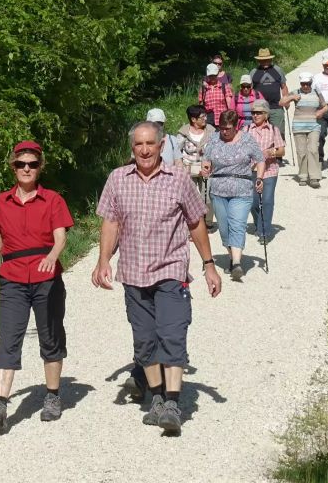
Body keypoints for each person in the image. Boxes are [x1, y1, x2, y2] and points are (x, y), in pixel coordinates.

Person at [93, 121, 222, 435]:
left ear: (162, 145)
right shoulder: (117, 179)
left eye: (150, 143)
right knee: (145, 340)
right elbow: (111, 222)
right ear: (132, 148)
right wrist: (102, 261)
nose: (145, 150)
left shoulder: (178, 179)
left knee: (172, 334)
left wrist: (208, 264)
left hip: (170, 271)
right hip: (134, 274)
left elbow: (196, 222)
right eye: (139, 144)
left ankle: (174, 403)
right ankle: (157, 399)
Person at [0, 141, 74, 432]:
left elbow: (60, 237)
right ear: (13, 167)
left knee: (50, 336)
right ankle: (0, 404)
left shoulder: (53, 199)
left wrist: (53, 256)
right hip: (12, 278)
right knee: (9, 339)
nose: (27, 169)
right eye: (21, 164)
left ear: (40, 166)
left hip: (46, 278)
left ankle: (53, 396)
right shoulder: (0, 202)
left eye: (32, 164)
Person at [201, 110, 265, 281]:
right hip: (218, 190)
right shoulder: (214, 138)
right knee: (224, 228)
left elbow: (260, 159)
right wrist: (205, 167)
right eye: (222, 128)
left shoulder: (247, 139)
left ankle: (236, 263)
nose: (224, 132)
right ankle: (231, 257)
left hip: (241, 189)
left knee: (237, 224)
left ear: (236, 126)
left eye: (228, 128)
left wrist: (259, 177)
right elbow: (206, 158)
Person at [244, 100, 286, 243]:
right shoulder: (246, 130)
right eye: (253, 113)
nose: (255, 115)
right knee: (253, 202)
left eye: (259, 113)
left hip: (270, 171)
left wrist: (271, 152)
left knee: (267, 201)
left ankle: (264, 232)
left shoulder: (273, 129)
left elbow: (282, 151)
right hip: (251, 170)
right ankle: (259, 223)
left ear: (266, 114)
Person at [280, 72, 328, 189]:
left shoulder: (317, 92)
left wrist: (321, 112)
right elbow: (281, 102)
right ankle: (303, 176)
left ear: (311, 83)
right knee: (301, 151)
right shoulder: (296, 92)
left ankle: (314, 177)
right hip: (299, 126)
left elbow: (325, 106)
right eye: (303, 84)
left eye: (307, 84)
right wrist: (291, 97)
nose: (305, 86)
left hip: (314, 126)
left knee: (313, 149)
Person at [175, 105, 216, 227]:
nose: (205, 118)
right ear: (193, 119)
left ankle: (207, 222)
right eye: (202, 116)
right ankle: (192, 222)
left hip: (207, 168)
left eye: (205, 115)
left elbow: (217, 149)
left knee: (208, 196)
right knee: (190, 198)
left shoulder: (211, 131)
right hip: (188, 168)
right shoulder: (183, 132)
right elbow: (176, 151)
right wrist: (180, 167)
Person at [250, 48, 290, 140]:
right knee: (260, 135)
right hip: (260, 109)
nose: (265, 62)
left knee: (279, 134)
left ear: (270, 59)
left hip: (276, 107)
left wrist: (286, 100)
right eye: (262, 60)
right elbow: (250, 89)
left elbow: (283, 86)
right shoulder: (253, 72)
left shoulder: (278, 70)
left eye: (267, 59)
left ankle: (278, 154)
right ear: (259, 60)